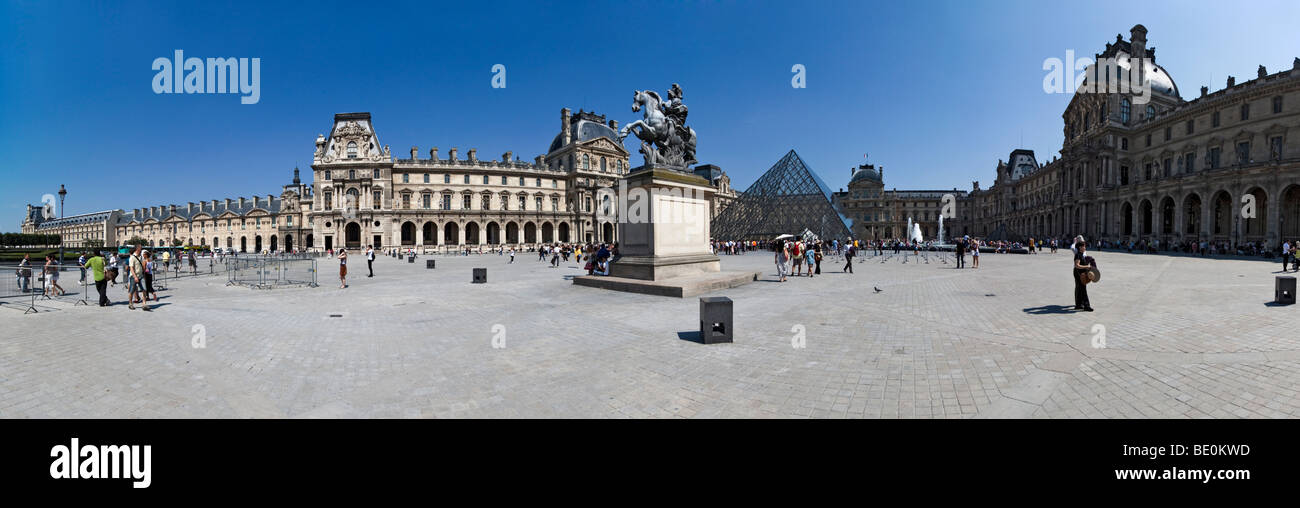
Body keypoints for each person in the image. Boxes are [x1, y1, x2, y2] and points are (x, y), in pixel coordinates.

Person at [1073, 240, 1094, 312]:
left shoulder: (1081, 254)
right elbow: (1077, 265)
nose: (1085, 247)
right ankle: (1086, 306)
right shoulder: (1078, 255)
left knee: (1079, 289)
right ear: (1080, 247)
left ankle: (1078, 305)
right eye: (1084, 246)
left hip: (1080, 273)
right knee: (1083, 289)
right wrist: (1086, 266)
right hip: (1078, 273)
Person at [128, 245, 147, 311]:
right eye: (140, 248)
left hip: (141, 276)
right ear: (137, 249)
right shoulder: (132, 257)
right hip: (134, 277)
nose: (141, 249)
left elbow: (143, 265)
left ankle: (144, 304)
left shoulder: (141, 257)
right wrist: (135, 277)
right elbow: (131, 268)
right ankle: (130, 303)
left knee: (144, 289)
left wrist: (144, 273)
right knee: (132, 290)